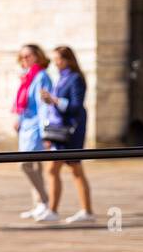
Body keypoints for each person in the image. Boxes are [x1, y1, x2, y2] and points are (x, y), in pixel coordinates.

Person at [39, 45, 95, 224]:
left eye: (59, 59)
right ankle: (83, 210)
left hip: (71, 130)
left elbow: (76, 106)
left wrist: (54, 100)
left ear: (68, 59)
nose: (56, 63)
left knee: (62, 169)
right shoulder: (61, 78)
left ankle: (56, 210)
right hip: (59, 128)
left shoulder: (75, 78)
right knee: (72, 169)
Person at [14, 43, 58, 222]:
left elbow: (43, 107)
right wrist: (18, 120)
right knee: (35, 166)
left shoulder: (41, 76)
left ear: (37, 57)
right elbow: (24, 104)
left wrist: (45, 132)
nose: (25, 60)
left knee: (25, 164)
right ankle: (39, 204)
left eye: (28, 56)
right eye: (22, 57)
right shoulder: (27, 77)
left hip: (35, 128)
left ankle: (45, 200)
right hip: (26, 126)